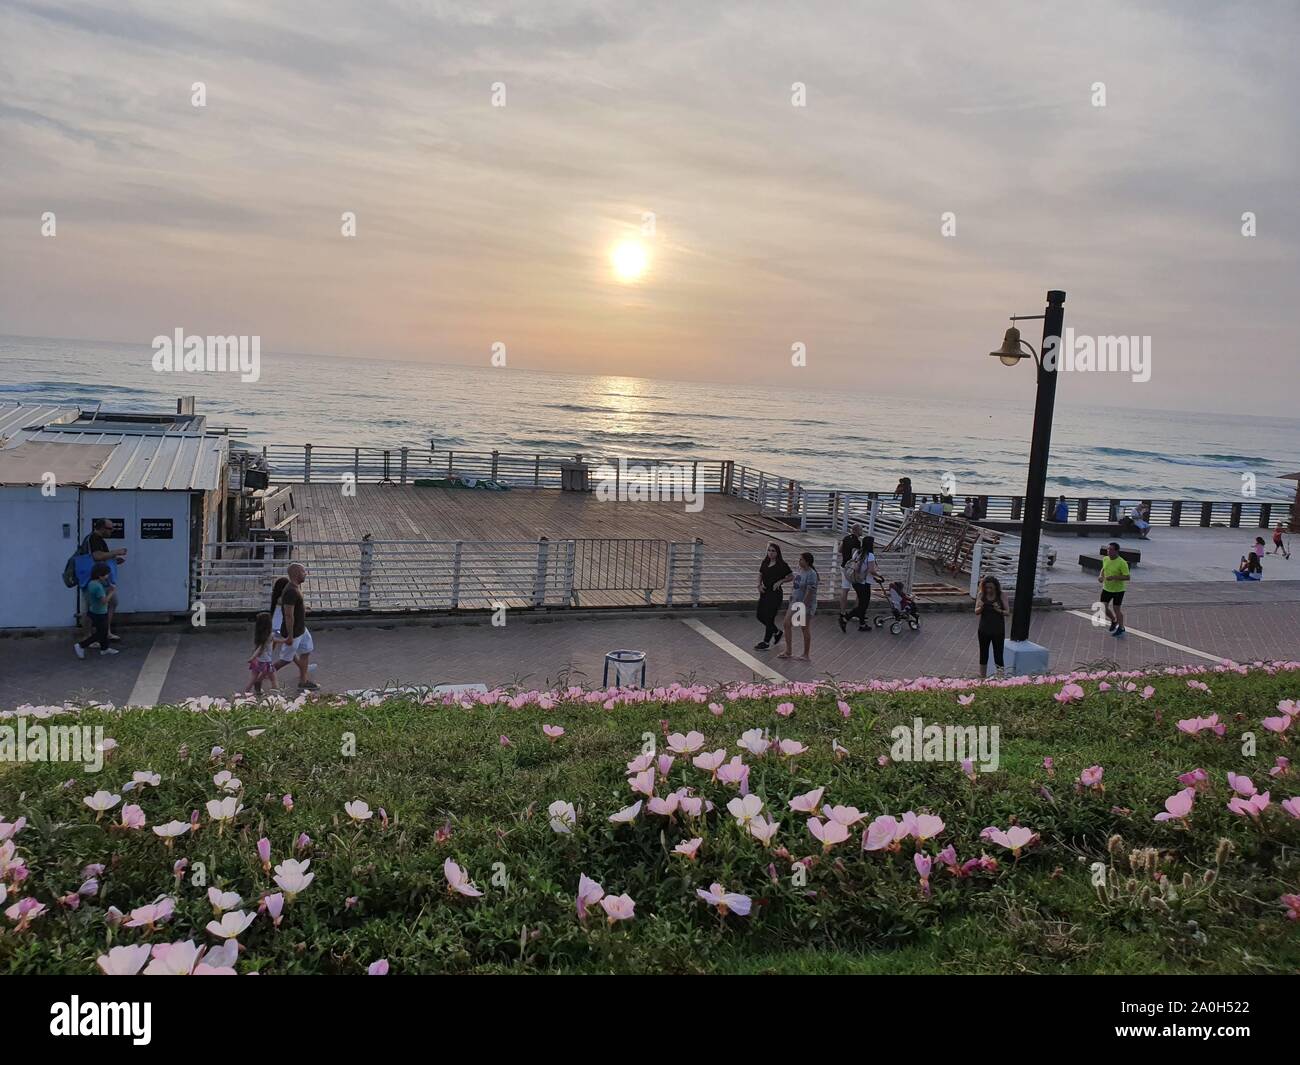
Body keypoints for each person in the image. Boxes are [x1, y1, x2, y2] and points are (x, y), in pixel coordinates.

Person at [79, 518, 127, 642]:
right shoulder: (93, 538)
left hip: (102, 578)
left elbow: (102, 558)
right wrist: (116, 552)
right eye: (110, 528)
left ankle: (105, 631)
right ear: (101, 528)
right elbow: (97, 556)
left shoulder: (100, 540)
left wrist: (114, 560)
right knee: (90, 608)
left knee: (112, 602)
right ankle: (87, 637)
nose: (112, 531)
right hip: (91, 579)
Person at [275, 563, 318, 690]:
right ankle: (263, 674)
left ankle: (303, 681)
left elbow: (294, 607)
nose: (306, 574)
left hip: (301, 629)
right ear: (297, 573)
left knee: (306, 650)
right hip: (293, 632)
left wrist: (303, 609)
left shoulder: (296, 587)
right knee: (285, 660)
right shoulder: (291, 591)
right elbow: (288, 615)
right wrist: (290, 636)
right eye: (304, 572)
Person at [779, 552, 818, 662]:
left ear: (807, 561)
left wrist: (803, 605)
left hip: (805, 604)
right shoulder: (800, 570)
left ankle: (806, 654)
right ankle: (788, 651)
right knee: (786, 623)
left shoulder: (811, 574)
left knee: (804, 628)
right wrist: (791, 596)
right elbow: (795, 585)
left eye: (801, 559)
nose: (799, 561)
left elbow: (810, 592)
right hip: (795, 601)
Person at [74, 563, 118, 659]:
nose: (107, 577)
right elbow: (104, 601)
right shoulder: (98, 587)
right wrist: (112, 592)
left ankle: (104, 648)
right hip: (100, 613)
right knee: (101, 633)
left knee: (103, 630)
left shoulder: (91, 583)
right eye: (106, 574)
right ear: (100, 575)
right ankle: (81, 645)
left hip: (95, 611)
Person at [755, 543, 792, 650]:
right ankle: (777, 632)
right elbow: (760, 574)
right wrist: (759, 585)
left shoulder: (782, 565)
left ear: (777, 553)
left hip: (775, 594)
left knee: (769, 617)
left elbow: (791, 576)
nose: (770, 553)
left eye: (773, 551)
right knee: (760, 615)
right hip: (765, 592)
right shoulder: (765, 562)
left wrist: (781, 581)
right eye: (769, 551)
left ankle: (766, 642)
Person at [842, 537, 879, 632]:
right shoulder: (870, 555)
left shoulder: (857, 553)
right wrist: (880, 576)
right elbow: (871, 570)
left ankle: (862, 624)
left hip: (856, 581)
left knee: (862, 604)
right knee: (863, 605)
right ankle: (845, 618)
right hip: (864, 583)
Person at [245, 612, 287, 695]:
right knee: (273, 677)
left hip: (257, 661)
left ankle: (247, 692)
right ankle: (277, 692)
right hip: (266, 662)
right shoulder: (270, 636)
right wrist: (252, 657)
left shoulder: (260, 636)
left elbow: (273, 641)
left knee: (253, 678)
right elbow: (261, 649)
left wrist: (284, 641)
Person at [974, 575, 1007, 678]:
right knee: (983, 653)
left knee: (998, 654)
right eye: (987, 587)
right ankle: (982, 677)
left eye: (991, 588)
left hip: (998, 630)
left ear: (995, 587)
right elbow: (976, 611)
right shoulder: (981, 595)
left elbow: (1007, 612)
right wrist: (981, 607)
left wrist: (999, 610)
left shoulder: (1001, 595)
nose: (988, 590)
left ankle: (1000, 677)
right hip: (984, 629)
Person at [1099, 541, 1130, 637]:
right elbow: (1103, 568)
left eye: (1111, 549)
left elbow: (1127, 577)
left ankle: (1121, 627)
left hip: (1118, 590)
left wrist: (1114, 577)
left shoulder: (1122, 563)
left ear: (1116, 551)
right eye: (1108, 549)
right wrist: (1100, 576)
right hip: (1106, 588)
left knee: (1117, 609)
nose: (1108, 551)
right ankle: (1113, 620)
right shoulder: (1105, 559)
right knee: (1103, 607)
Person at [837, 523, 863, 617]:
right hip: (852, 568)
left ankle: (842, 612)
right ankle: (855, 613)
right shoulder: (857, 542)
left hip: (843, 566)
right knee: (859, 590)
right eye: (861, 530)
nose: (862, 531)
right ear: (856, 531)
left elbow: (839, 550)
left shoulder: (845, 538)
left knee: (845, 589)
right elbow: (855, 556)